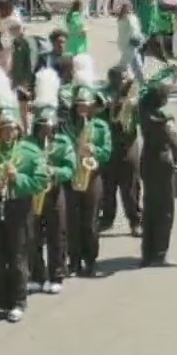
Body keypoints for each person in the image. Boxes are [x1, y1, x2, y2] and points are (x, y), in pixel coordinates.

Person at [0, 83, 48, 323]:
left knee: (17, 256)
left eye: (11, 129)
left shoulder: (29, 151)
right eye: (3, 129)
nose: (7, 133)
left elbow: (40, 181)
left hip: (18, 209)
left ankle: (18, 300)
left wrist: (19, 179)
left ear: (18, 129)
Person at [26, 72, 73, 295]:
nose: (47, 130)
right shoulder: (28, 144)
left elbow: (70, 168)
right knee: (33, 235)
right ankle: (37, 274)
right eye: (43, 126)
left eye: (50, 127)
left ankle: (56, 275)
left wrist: (54, 171)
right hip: (34, 194)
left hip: (54, 193)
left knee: (57, 234)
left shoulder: (63, 143)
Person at [62, 83, 111, 278]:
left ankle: (90, 260)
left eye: (86, 105)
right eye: (79, 105)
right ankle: (73, 261)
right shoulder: (68, 126)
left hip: (92, 177)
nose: (82, 108)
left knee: (90, 221)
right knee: (72, 221)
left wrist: (94, 151)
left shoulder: (100, 126)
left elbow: (107, 152)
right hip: (73, 175)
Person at [137, 79, 177, 267]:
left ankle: (147, 252)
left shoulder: (145, 115)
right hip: (163, 163)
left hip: (147, 160)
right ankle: (160, 253)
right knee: (165, 210)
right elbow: (176, 146)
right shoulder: (165, 121)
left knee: (149, 208)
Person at [98, 66, 144, 235]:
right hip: (109, 146)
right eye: (121, 79)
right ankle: (107, 219)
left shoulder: (134, 95)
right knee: (107, 187)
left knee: (131, 187)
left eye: (126, 78)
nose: (125, 81)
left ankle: (135, 221)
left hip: (128, 145)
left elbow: (141, 119)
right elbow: (97, 109)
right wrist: (112, 104)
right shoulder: (105, 93)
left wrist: (133, 105)